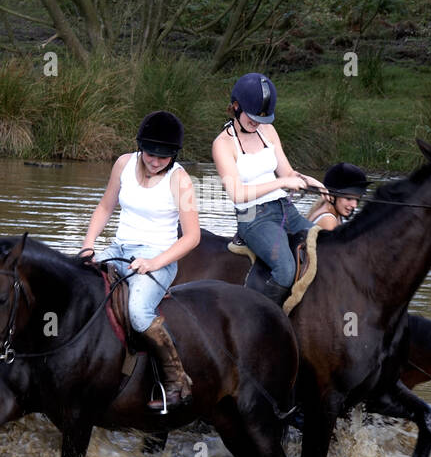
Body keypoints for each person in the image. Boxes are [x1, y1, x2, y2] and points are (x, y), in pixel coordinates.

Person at [81, 111, 200, 411]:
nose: (155, 161)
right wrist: (88, 246)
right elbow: (106, 206)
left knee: (138, 312)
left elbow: (192, 236)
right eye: (150, 154)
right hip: (118, 247)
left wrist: (155, 262)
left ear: (173, 155)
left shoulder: (180, 180)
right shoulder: (123, 163)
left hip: (157, 257)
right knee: (77, 282)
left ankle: (176, 381)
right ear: (140, 146)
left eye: (163, 157)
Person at [212, 72, 325, 305]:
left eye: (262, 119)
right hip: (252, 217)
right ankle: (258, 320)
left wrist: (307, 179)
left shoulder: (268, 131)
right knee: (284, 270)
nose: (257, 123)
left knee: (324, 245)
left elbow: (287, 173)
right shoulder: (223, 144)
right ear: (235, 107)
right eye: (252, 117)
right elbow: (238, 194)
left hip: (285, 208)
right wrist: (282, 183)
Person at [306, 162, 369, 230]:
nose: (354, 205)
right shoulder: (328, 220)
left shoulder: (335, 213)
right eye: (349, 198)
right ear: (332, 196)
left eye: (357, 199)